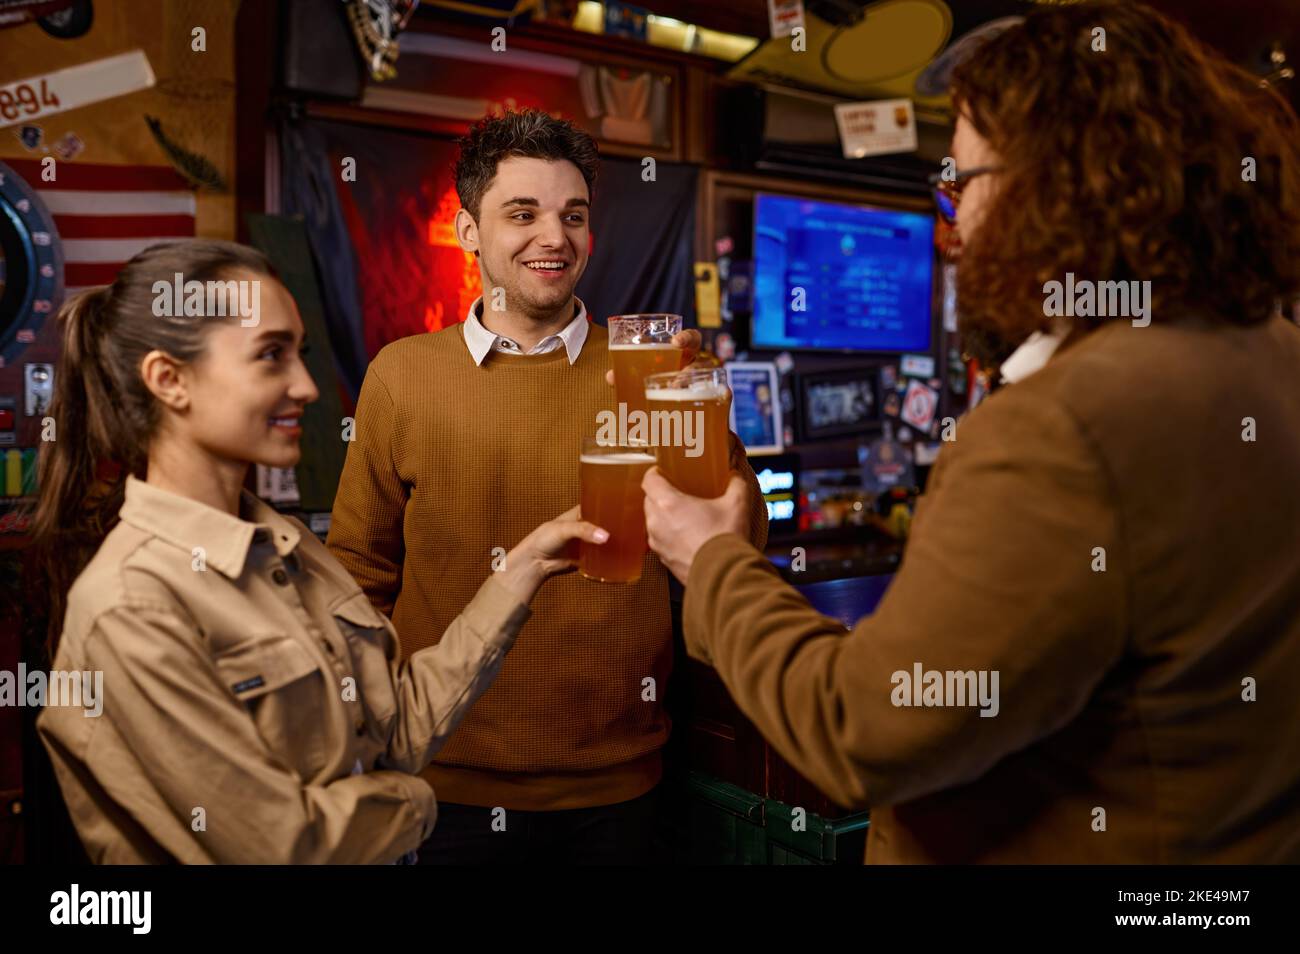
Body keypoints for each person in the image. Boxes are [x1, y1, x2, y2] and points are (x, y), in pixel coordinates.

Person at [642, 2, 1300, 863]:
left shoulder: (1063, 427)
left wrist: (713, 562)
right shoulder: (1272, 352)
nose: (950, 231)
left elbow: (865, 730)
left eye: (962, 183)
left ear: (1059, 185)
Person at [33, 240, 606, 863]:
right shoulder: (133, 607)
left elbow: (393, 728)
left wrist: (522, 571)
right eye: (271, 356)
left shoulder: (289, 547)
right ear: (170, 380)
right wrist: (418, 805)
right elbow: (286, 846)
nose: (306, 386)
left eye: (300, 355)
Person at [326, 109, 769, 864]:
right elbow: (357, 579)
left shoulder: (652, 370)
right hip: (444, 785)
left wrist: (703, 424)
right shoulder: (400, 375)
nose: (554, 238)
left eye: (574, 215)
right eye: (522, 214)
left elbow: (738, 542)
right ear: (469, 231)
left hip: (619, 787)